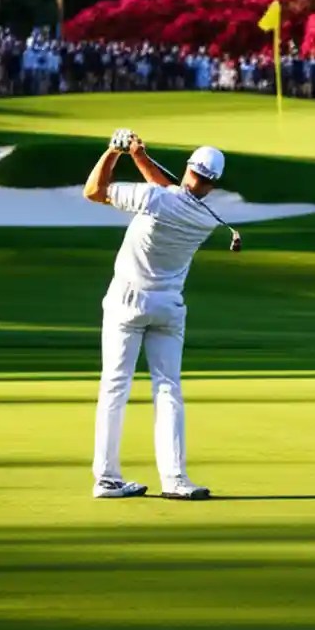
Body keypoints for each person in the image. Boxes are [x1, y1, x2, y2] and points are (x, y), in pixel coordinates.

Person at [82, 134, 228, 501]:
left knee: (115, 387)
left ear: (188, 168)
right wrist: (140, 158)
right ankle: (175, 479)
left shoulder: (153, 199)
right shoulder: (206, 219)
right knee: (168, 390)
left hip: (127, 302)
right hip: (169, 309)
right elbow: (172, 193)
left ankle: (106, 478)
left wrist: (113, 152)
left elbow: (94, 192)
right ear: (213, 184)